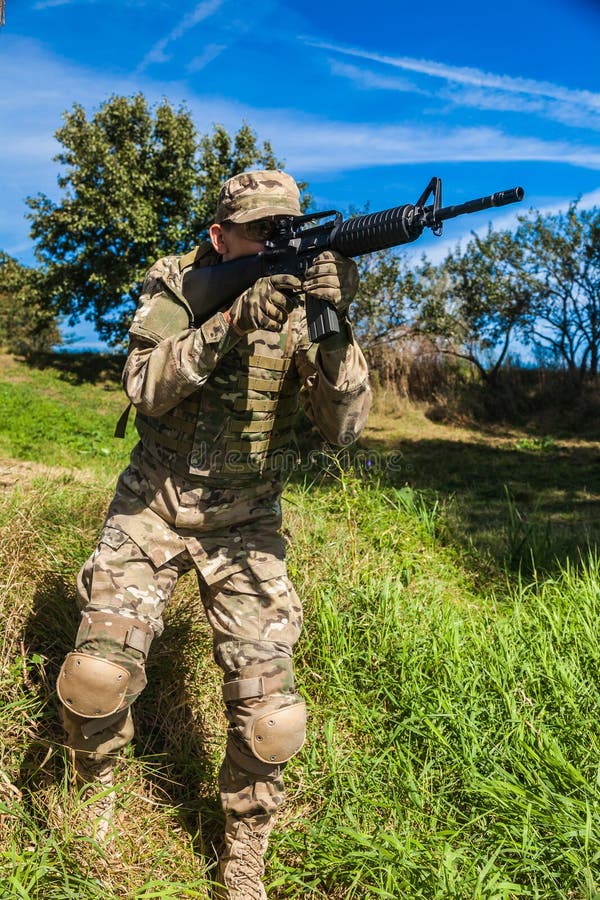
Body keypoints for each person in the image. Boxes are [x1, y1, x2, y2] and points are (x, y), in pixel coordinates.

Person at [56, 169, 372, 898]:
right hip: (153, 507)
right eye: (257, 231)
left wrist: (332, 326)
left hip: (246, 524)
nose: (270, 243)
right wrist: (231, 320)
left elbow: (344, 432)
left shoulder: (309, 307)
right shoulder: (177, 283)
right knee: (96, 678)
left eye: (281, 231)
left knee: (273, 717)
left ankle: (244, 854)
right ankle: (95, 797)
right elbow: (143, 386)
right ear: (219, 236)